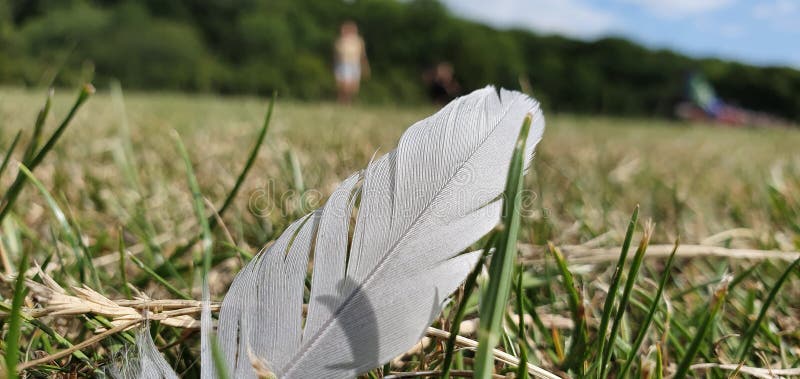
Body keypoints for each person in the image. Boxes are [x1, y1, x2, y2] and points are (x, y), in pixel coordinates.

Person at [334, 21, 369, 104]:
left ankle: (346, 100)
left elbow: (362, 55)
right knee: (345, 85)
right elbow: (335, 56)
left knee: (354, 86)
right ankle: (344, 101)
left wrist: (365, 66)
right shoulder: (340, 41)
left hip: (355, 64)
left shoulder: (359, 41)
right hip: (344, 64)